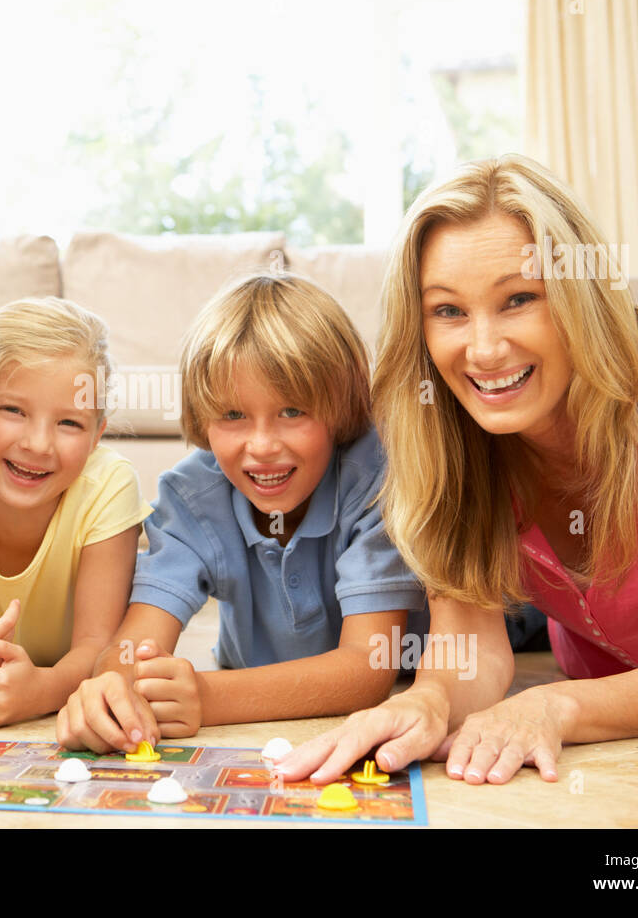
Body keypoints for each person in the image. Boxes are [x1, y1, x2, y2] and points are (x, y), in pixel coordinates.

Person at [280, 154, 638, 787]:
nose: (483, 350)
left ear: (578, 297)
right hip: (609, 693)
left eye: (519, 300)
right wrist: (427, 699)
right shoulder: (443, 426)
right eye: (449, 311)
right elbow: (474, 650)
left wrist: (549, 705)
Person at [57, 274, 426, 753]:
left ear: (340, 406)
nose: (263, 446)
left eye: (292, 411)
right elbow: (135, 646)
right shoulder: (192, 498)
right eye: (232, 416)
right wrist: (108, 687)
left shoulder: (377, 480)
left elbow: (370, 668)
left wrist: (207, 698)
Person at [0, 297, 151, 726]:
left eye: (69, 423)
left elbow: (97, 648)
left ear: (97, 435)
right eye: (13, 411)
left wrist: (39, 693)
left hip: (61, 676)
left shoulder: (108, 485)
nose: (38, 444)